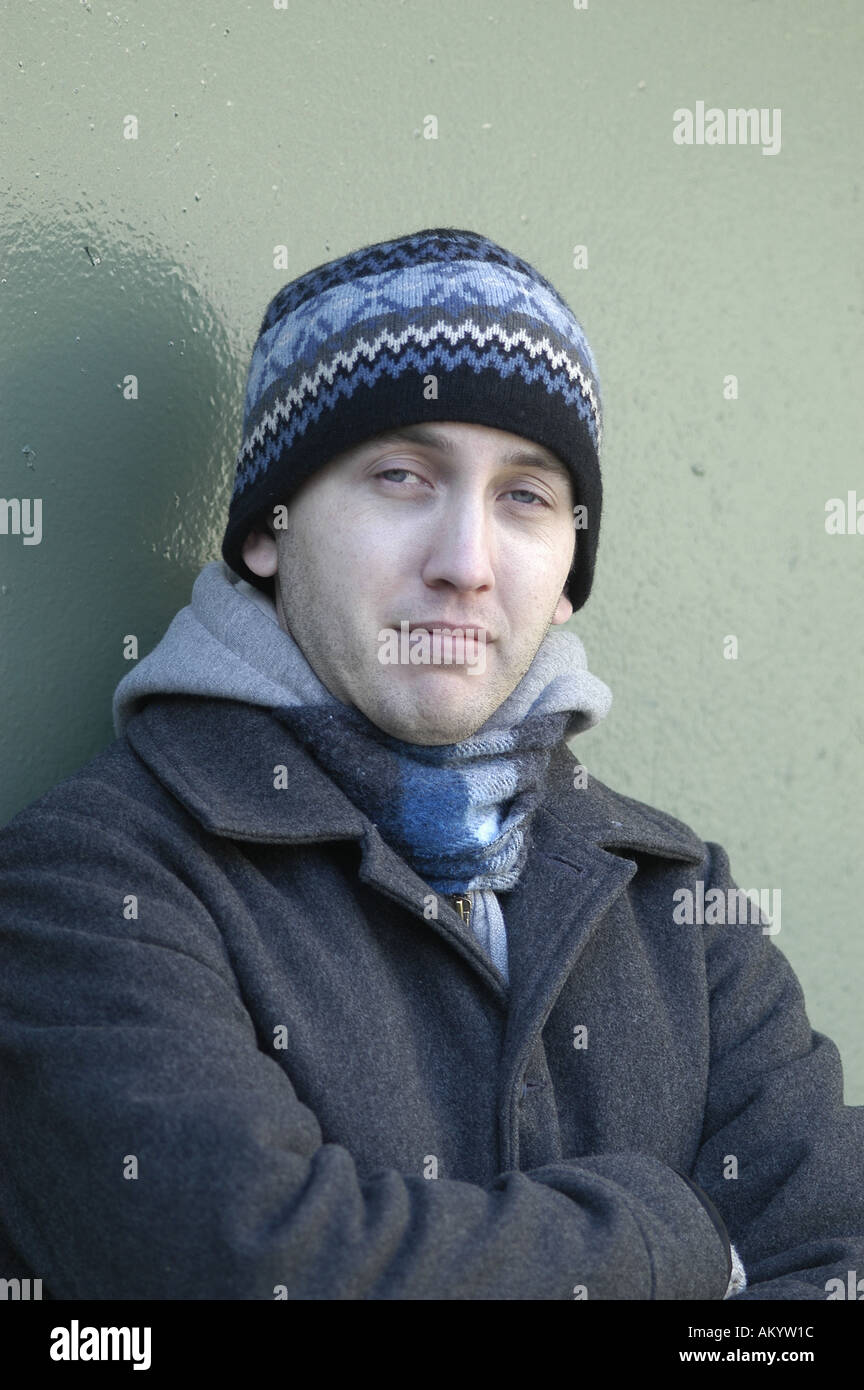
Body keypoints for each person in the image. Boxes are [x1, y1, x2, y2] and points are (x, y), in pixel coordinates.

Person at [0, 226, 861, 1302]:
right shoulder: (92, 882)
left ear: (568, 577)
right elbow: (245, 1271)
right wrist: (663, 1245)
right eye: (403, 475)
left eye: (525, 497)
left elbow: (833, 1269)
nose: (464, 562)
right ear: (266, 530)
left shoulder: (677, 903)